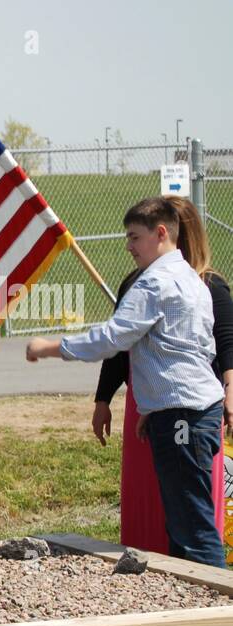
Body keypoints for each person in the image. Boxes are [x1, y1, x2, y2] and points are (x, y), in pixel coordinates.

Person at [27, 196, 225, 567]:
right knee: (184, 522)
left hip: (184, 415)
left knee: (193, 528)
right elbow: (190, 352)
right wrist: (156, 407)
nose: (128, 246)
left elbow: (112, 339)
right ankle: (195, 607)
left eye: (135, 237)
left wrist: (51, 346)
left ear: (161, 233)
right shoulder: (188, 277)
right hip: (189, 411)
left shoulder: (155, 285)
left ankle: (216, 612)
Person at [90, 196, 232, 558]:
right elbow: (121, 346)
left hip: (188, 404)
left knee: (189, 504)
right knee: (159, 498)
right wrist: (103, 399)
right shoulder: (137, 283)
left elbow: (227, 344)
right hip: (148, 406)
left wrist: (230, 391)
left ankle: (201, 579)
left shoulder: (208, 286)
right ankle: (156, 567)